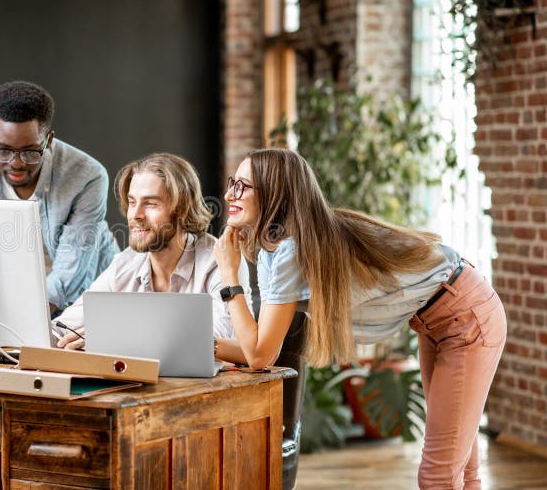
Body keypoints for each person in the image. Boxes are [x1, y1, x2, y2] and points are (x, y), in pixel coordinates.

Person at [213, 148, 506, 490]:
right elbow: (263, 349)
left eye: (242, 186)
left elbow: (260, 355)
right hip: (437, 317)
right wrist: (205, 346)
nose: (229, 194)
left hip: (465, 315)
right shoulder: (278, 248)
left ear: (275, 192)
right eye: (232, 183)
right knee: (459, 471)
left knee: (438, 476)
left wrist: (229, 274)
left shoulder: (290, 251)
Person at [0, 80, 119, 312]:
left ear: (48, 141)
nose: (16, 163)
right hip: (10, 294)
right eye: (3, 150)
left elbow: (70, 275)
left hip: (82, 298)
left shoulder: (87, 176)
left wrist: (18, 320)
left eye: (30, 152)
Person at [54, 152, 251, 349]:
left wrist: (116, 335)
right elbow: (63, 327)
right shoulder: (124, 264)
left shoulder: (220, 262)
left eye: (150, 204)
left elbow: (219, 337)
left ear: (181, 209)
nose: (136, 215)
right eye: (132, 202)